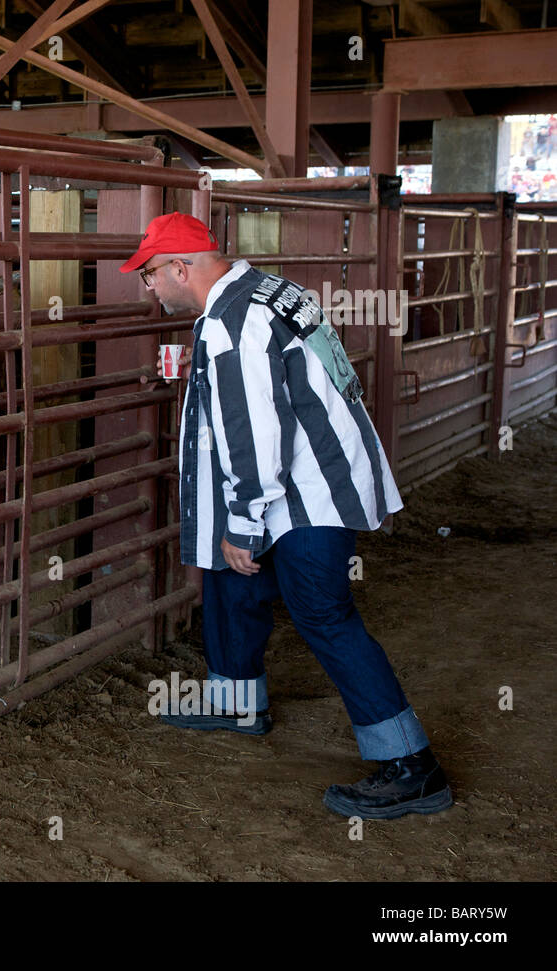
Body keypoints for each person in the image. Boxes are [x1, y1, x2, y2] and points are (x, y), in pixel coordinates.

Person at [122, 212, 452, 820]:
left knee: (323, 613)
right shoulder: (274, 289)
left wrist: (245, 521)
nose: (148, 288)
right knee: (229, 579)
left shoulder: (230, 322)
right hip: (314, 471)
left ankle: (410, 765)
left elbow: (254, 432)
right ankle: (235, 700)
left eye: (148, 275)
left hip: (308, 492)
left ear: (179, 267)